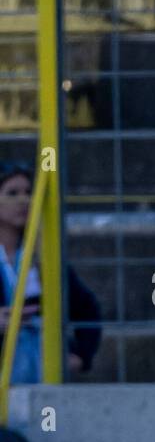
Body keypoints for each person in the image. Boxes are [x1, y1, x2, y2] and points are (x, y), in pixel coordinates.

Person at [0, 161, 101, 381]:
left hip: (39, 382)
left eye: (28, 192)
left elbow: (88, 309)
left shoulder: (44, 258)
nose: (23, 200)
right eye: (12, 193)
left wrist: (81, 355)